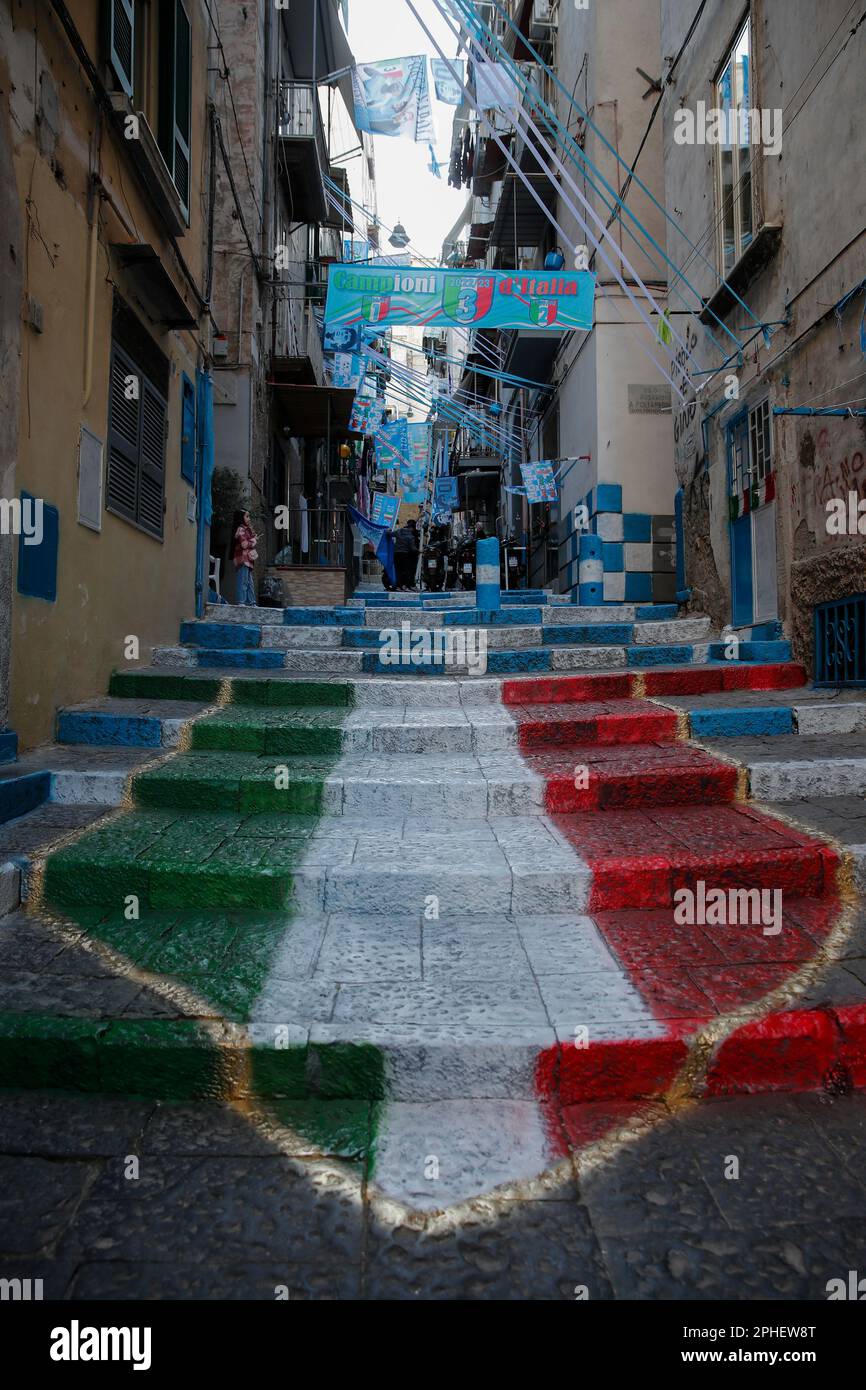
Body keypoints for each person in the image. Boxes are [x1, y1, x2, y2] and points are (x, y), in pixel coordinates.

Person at [232, 509, 259, 606]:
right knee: (243, 581)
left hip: (247, 560)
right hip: (242, 559)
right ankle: (241, 602)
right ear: (241, 518)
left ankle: (252, 602)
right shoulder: (241, 529)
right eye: (247, 516)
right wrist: (254, 541)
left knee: (249, 583)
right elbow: (244, 544)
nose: (249, 519)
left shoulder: (246, 529)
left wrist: (253, 538)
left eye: (249, 516)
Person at [393, 519, 419, 590]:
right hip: (405, 555)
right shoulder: (411, 536)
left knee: (398, 570)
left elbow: (389, 534)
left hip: (396, 554)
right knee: (406, 571)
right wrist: (419, 551)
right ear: (411, 529)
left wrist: (387, 531)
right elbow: (413, 548)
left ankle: (398, 586)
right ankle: (405, 585)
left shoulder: (398, 531)